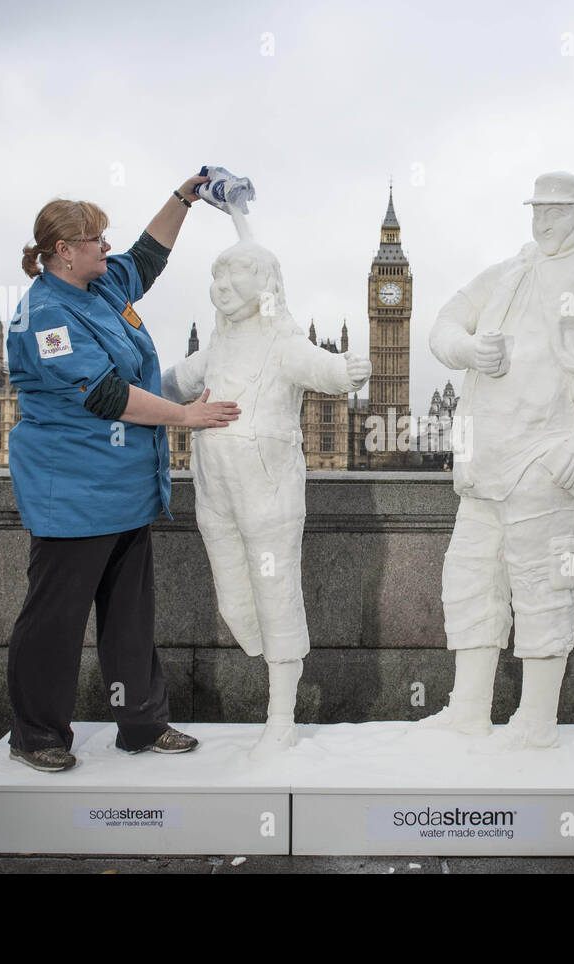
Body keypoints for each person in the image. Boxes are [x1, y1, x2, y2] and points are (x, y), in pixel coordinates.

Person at [5, 176, 240, 772]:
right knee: (55, 622)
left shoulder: (101, 285)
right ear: (64, 249)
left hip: (127, 491)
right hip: (74, 492)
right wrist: (186, 415)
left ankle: (140, 725)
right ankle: (36, 735)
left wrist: (185, 196)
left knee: (130, 620)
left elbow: (147, 256)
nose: (105, 248)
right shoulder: (46, 317)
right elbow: (106, 396)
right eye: (95, 240)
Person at [421, 172, 574, 749]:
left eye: (556, 212)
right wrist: (468, 348)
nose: (543, 222)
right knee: (470, 581)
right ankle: (468, 709)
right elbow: (442, 326)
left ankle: (536, 720)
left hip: (547, 456)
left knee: (543, 583)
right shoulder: (508, 270)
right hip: (485, 462)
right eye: (537, 211)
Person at [162, 241, 371, 760]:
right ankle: (275, 663)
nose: (221, 289)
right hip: (214, 494)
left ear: (265, 288)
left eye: (234, 279)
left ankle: (281, 716)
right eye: (218, 279)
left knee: (276, 598)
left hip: (269, 493)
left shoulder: (283, 341)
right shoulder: (216, 348)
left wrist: (347, 370)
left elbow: (322, 370)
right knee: (236, 604)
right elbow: (169, 382)